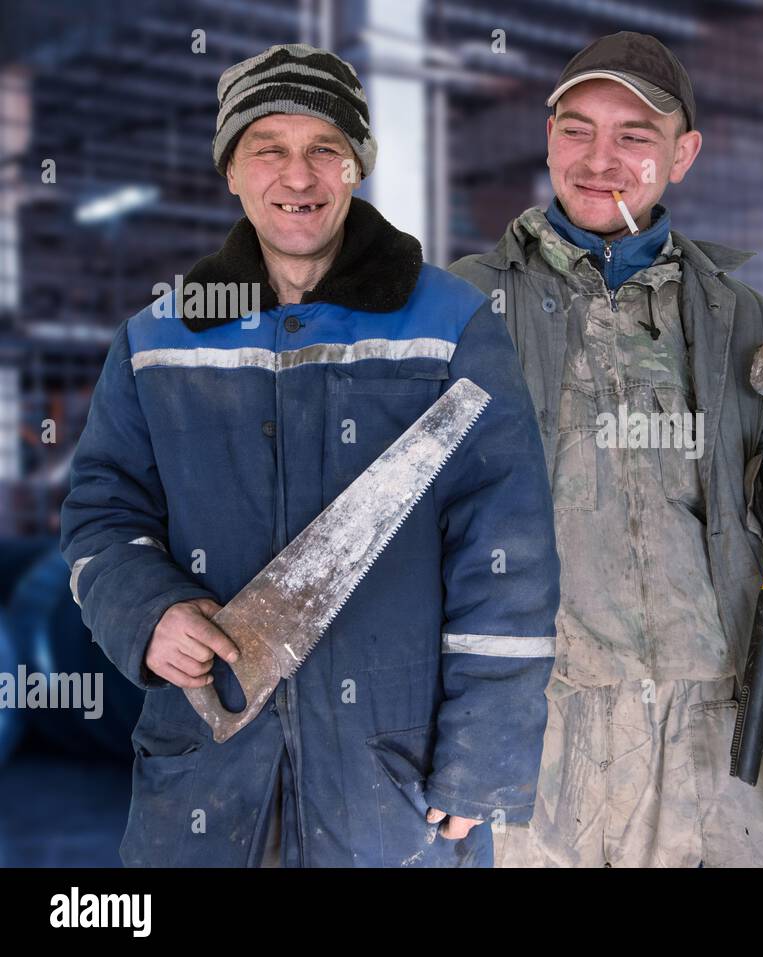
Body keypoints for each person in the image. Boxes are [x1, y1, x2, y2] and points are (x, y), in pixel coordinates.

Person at [59, 44, 560, 867]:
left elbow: (508, 556)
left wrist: (482, 761)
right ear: (230, 169)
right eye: (268, 149)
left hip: (393, 789)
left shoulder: (450, 324)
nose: (299, 176)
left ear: (357, 166)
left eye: (325, 148)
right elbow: (101, 519)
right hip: (205, 785)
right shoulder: (159, 338)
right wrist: (147, 613)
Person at [450, 31, 763, 868]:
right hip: (545, 721)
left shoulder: (741, 317)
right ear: (548, 140)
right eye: (576, 129)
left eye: (635, 135)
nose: (599, 158)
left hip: (716, 719)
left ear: (683, 154)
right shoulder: (466, 303)